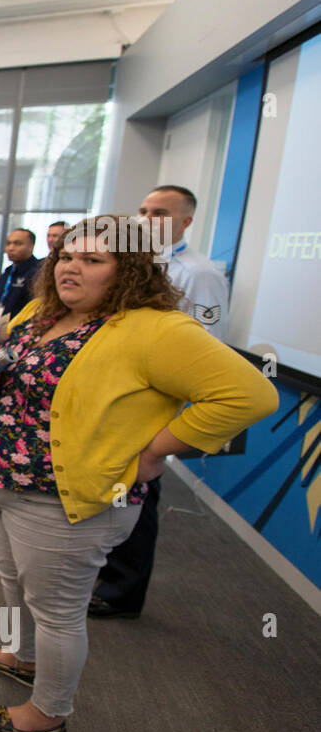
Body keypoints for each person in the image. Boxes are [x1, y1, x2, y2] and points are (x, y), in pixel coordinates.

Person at [0, 216, 276, 732]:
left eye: (92, 260)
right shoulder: (44, 311)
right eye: (66, 257)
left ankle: (48, 712)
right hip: (6, 483)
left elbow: (251, 395)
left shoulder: (156, 329)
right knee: (14, 580)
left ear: (127, 269)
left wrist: (156, 452)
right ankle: (24, 656)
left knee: (57, 610)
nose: (71, 268)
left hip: (67, 498)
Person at [90, 185, 231, 620]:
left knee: (137, 493)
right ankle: (107, 574)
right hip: (119, 397)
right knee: (113, 491)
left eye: (160, 213)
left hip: (154, 403)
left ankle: (123, 592)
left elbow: (208, 350)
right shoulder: (137, 264)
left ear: (186, 221)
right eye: (143, 210)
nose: (147, 220)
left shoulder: (199, 273)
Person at [0, 227, 42, 319]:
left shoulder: (37, 273)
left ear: (31, 246)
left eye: (17, 244)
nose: (11, 248)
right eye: (8, 243)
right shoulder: (7, 272)